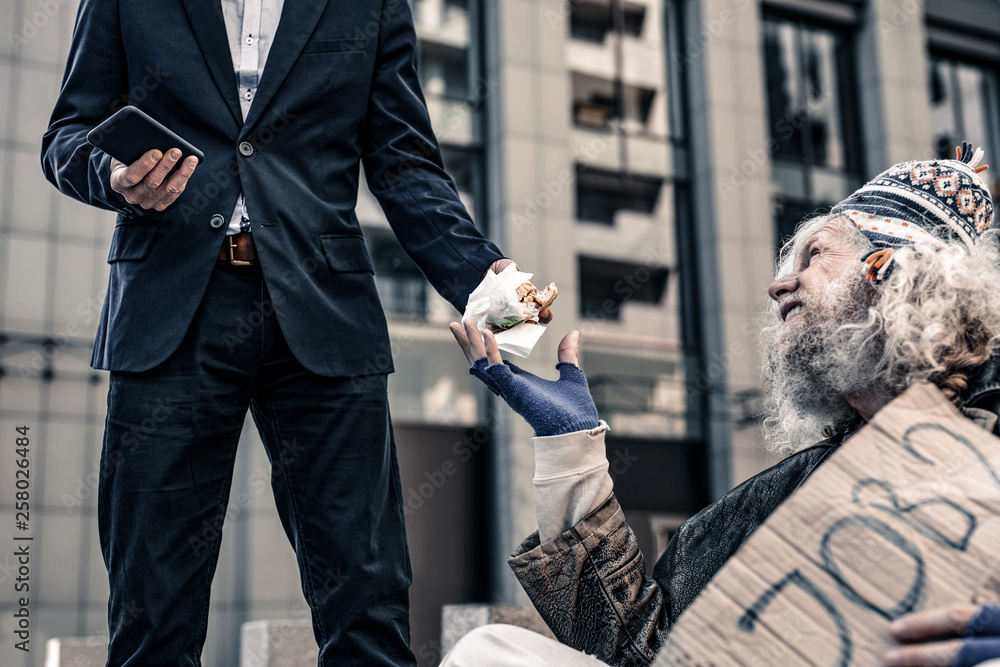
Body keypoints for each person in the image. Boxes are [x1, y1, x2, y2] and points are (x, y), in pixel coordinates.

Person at [41, 2, 549, 665]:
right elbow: (67, 135)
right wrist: (112, 177)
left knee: (367, 604)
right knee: (150, 615)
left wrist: (490, 282)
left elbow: (405, 164)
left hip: (324, 307)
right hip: (170, 314)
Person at [445, 143, 1000, 667]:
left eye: (815, 254)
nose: (779, 286)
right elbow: (641, 644)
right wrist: (572, 450)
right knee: (490, 652)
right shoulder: (794, 486)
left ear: (893, 269)